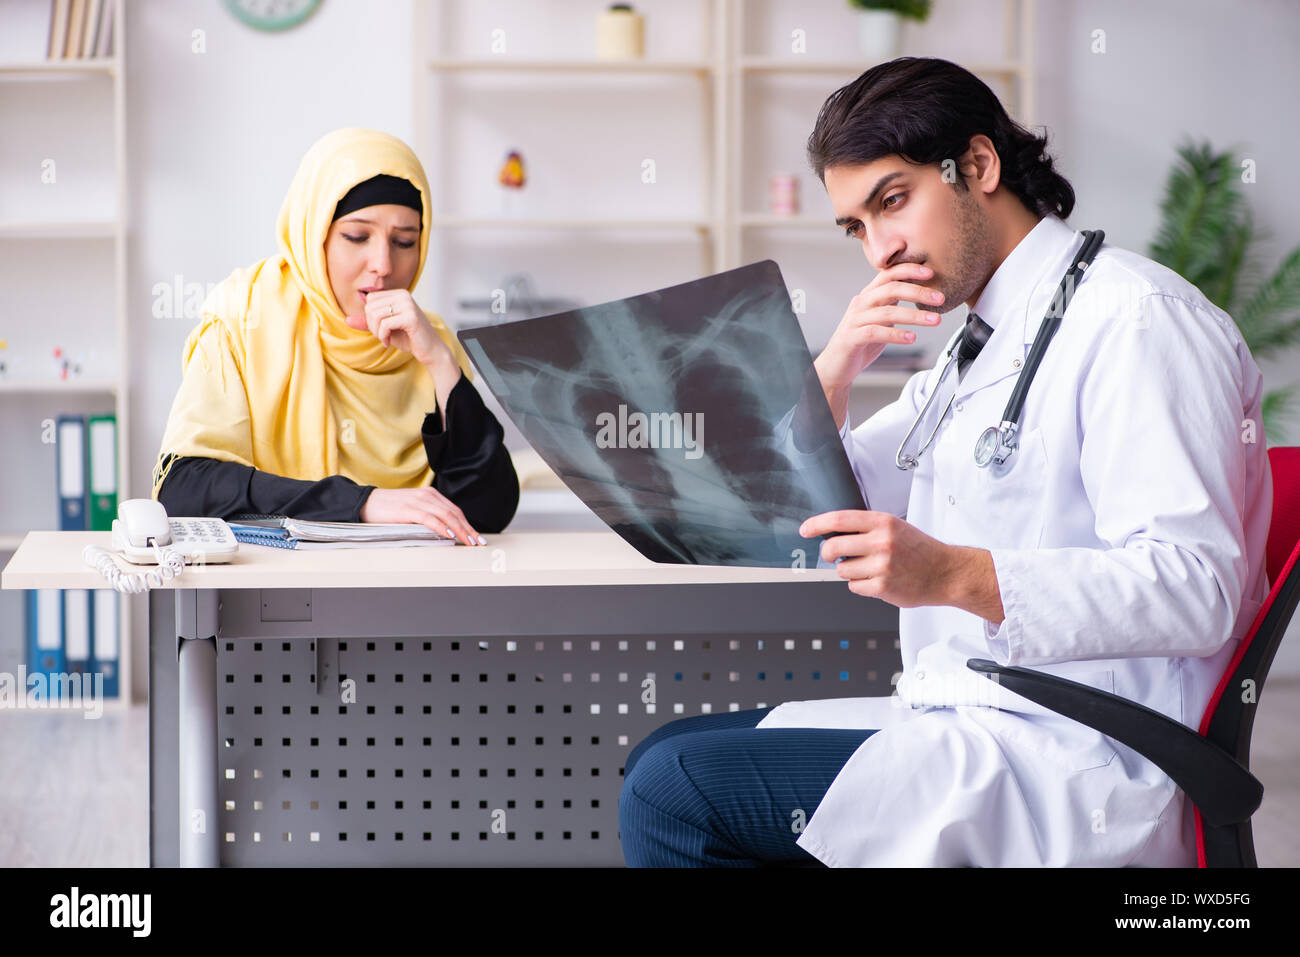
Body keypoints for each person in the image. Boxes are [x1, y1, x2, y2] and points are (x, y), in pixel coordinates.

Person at [619, 57, 1272, 866]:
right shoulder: (979, 346)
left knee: (674, 790)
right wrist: (837, 366)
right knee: (665, 750)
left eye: (892, 201)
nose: (879, 250)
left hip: (1086, 753)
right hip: (982, 714)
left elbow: (1194, 587)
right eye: (857, 227)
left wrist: (956, 574)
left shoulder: (1138, 319)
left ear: (979, 165)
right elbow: (822, 503)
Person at [151, 128, 518, 544]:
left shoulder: (427, 340)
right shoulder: (242, 318)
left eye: (404, 241)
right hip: (269, 592)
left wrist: (438, 362)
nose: (382, 264)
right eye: (357, 236)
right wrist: (361, 503)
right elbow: (185, 490)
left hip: (409, 593)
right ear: (315, 236)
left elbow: (487, 512)